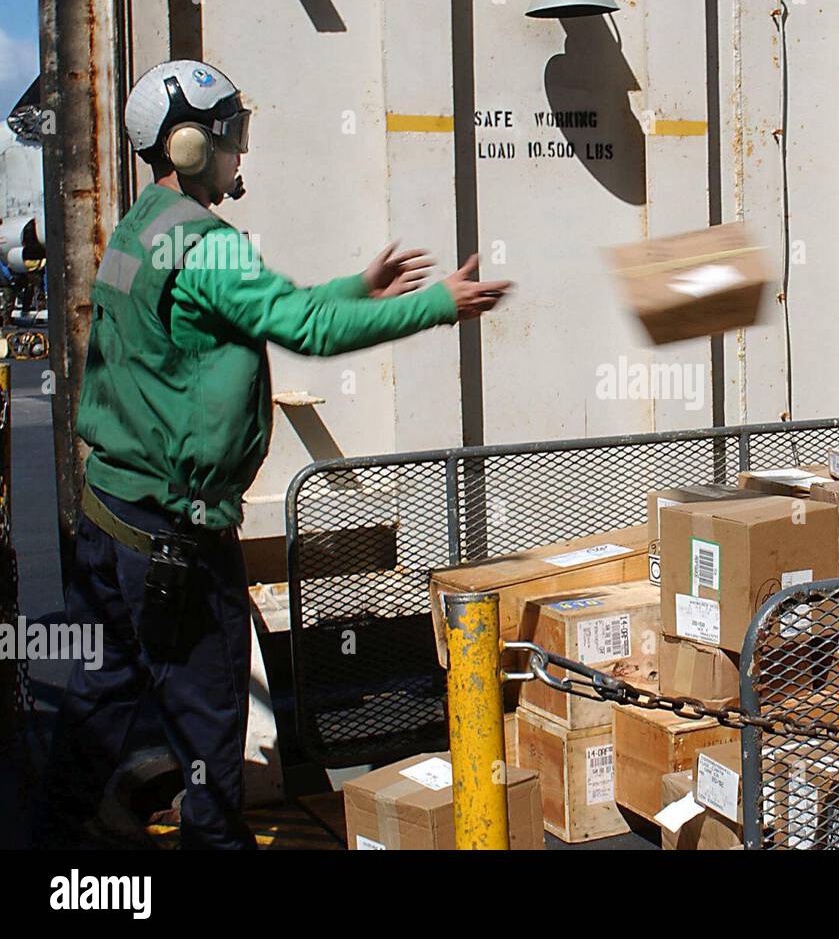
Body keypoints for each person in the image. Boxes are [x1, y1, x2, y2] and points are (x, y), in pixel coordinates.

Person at [34, 59, 511, 850]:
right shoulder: (208, 245)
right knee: (210, 745)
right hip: (174, 546)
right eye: (230, 139)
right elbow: (304, 330)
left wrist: (358, 289)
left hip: (111, 521)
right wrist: (437, 305)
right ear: (190, 148)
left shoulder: (139, 229)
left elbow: (268, 310)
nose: (237, 157)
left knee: (97, 707)